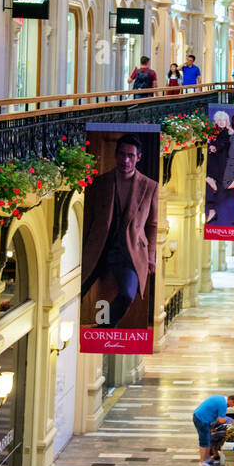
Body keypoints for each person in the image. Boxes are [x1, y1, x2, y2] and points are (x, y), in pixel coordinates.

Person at [80, 135, 158, 329]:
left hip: (129, 252)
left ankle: (104, 328)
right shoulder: (99, 183)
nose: (125, 160)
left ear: (138, 158)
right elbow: (88, 218)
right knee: (76, 291)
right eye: (122, 154)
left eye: (130, 156)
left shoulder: (150, 186)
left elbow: (152, 225)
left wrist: (150, 257)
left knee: (126, 295)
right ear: (115, 155)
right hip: (99, 249)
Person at [192, 393, 234, 466]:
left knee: (208, 439)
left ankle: (207, 459)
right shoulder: (223, 405)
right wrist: (226, 419)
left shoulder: (220, 398)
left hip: (201, 417)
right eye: (233, 404)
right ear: (231, 400)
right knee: (204, 441)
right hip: (201, 420)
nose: (232, 406)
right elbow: (221, 420)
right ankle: (202, 462)